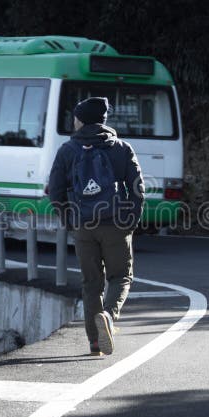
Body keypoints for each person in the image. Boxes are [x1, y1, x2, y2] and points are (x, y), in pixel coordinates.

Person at [48, 97, 144, 356]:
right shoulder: (121, 148)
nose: (74, 121)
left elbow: (55, 191)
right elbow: (137, 188)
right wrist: (131, 220)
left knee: (91, 283)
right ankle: (109, 318)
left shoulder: (67, 151)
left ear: (82, 119)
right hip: (115, 223)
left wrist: (69, 221)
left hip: (82, 225)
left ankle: (94, 342)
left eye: (76, 117)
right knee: (120, 276)